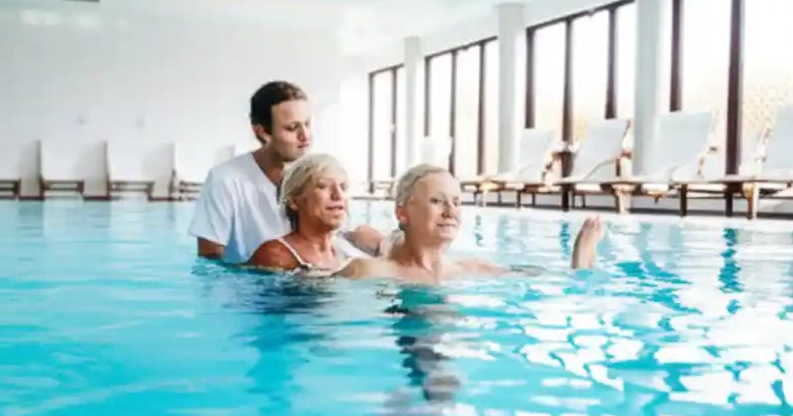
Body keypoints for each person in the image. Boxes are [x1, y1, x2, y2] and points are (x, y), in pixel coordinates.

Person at [189, 81, 384, 263]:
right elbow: (210, 259)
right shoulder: (226, 180)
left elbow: (342, 231)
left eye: (307, 124)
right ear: (262, 132)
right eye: (292, 128)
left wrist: (384, 244)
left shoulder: (316, 174)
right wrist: (265, 271)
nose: (305, 136)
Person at [337, 163, 604, 284]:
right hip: (394, 244)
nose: (451, 211)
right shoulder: (365, 270)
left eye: (456, 201)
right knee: (368, 236)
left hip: (403, 242)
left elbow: (543, 277)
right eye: (437, 201)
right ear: (403, 212)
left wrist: (578, 268)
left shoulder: (471, 267)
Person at [247, 153, 355, 274]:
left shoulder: (345, 253)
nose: (338, 195)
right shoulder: (276, 256)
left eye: (343, 187)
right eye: (323, 186)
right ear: (294, 201)